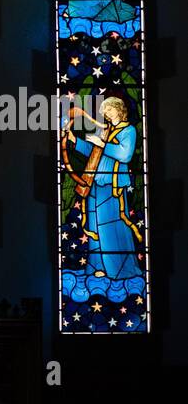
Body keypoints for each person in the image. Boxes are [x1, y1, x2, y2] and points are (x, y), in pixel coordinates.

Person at [66, 95, 144, 298]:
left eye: (109, 109)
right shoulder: (107, 131)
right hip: (95, 182)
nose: (106, 114)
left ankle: (120, 270)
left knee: (111, 225)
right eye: (105, 111)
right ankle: (97, 266)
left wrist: (101, 144)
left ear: (120, 109)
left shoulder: (129, 131)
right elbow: (95, 152)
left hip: (112, 185)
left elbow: (125, 155)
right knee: (95, 226)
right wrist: (75, 141)